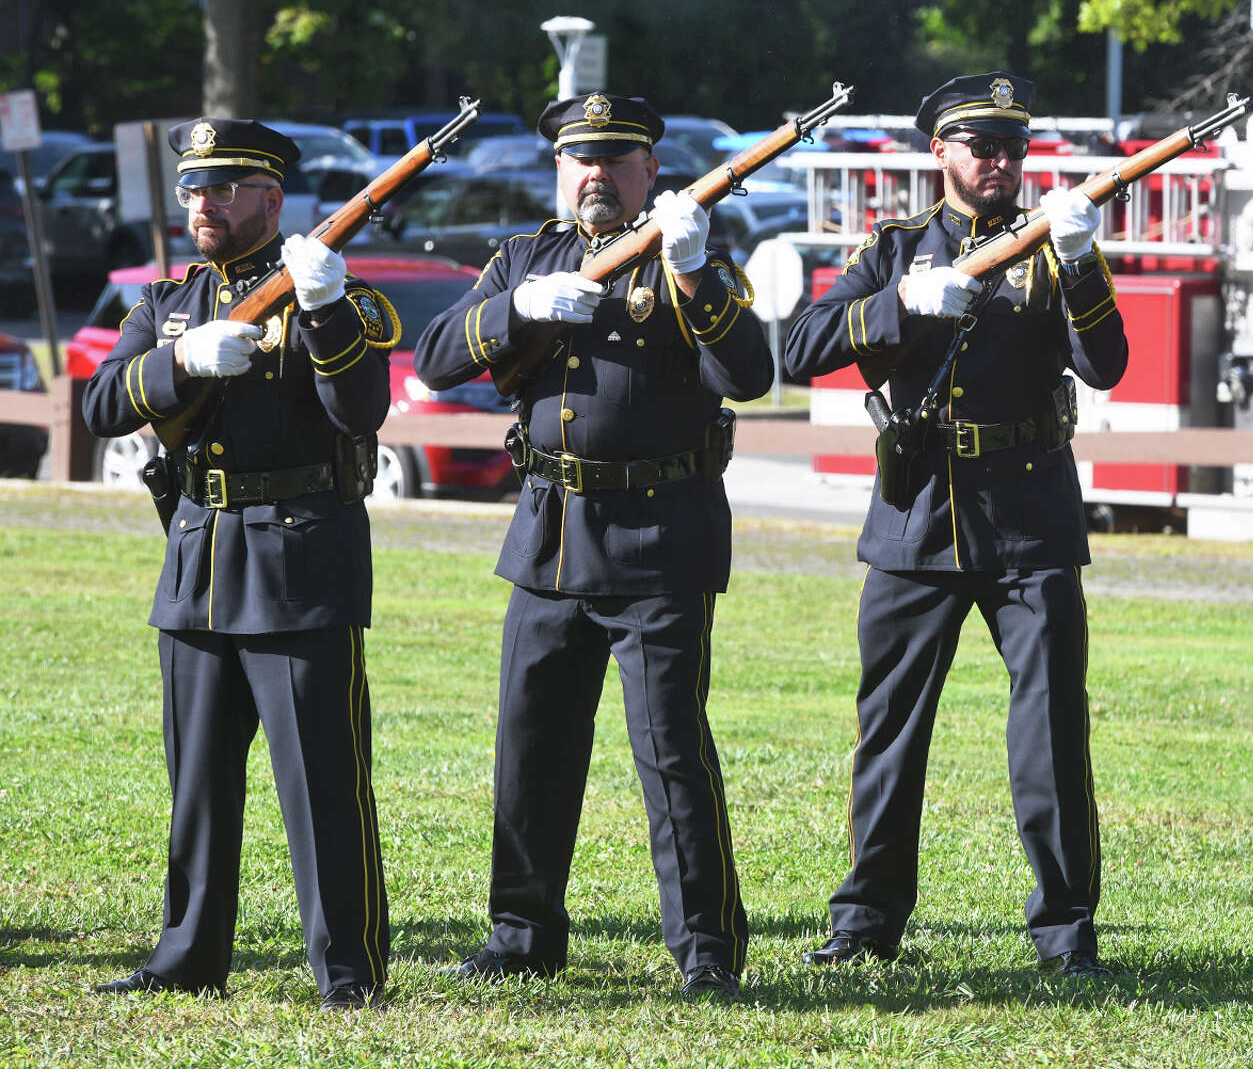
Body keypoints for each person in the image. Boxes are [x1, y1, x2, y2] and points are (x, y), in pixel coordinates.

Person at [414, 93, 769, 999]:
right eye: (581, 160)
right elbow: (434, 359)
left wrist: (692, 277)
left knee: (669, 750)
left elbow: (751, 374)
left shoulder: (694, 256)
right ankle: (523, 932)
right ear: (559, 170)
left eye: (617, 161)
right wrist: (516, 312)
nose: (597, 176)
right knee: (530, 745)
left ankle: (706, 951)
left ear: (652, 171)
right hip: (549, 538)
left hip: (659, 540)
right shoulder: (523, 260)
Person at [783, 72, 1128, 977]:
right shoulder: (896, 248)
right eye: (983, 148)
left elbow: (1109, 365)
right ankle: (866, 920)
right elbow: (800, 346)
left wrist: (1084, 259)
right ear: (941, 153)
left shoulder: (1053, 246)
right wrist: (902, 306)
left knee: (1051, 728)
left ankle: (1064, 931)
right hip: (918, 515)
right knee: (889, 727)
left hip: (1030, 517)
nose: (1002, 163)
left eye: (1014, 147)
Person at [81, 118, 393, 1010]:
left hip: (299, 560)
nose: (203, 204)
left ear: (271, 197)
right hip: (195, 561)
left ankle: (346, 971)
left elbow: (361, 406)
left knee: (321, 783)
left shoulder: (330, 290)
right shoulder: (165, 303)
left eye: (224, 188)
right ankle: (188, 955)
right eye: (193, 188)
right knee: (199, 788)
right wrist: (179, 359)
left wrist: (327, 305)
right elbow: (105, 398)